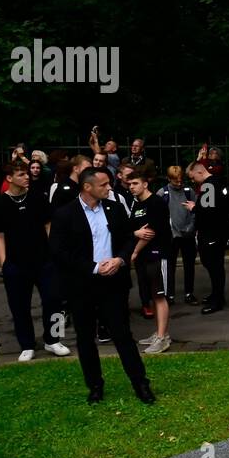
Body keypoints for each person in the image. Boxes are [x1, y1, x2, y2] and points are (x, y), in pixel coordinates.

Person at [49, 168, 155, 404]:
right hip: (82, 285)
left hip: (113, 284)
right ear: (88, 187)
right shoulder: (65, 215)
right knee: (85, 338)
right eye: (104, 184)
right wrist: (94, 268)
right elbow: (59, 252)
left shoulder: (115, 209)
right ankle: (95, 386)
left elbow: (129, 239)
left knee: (123, 335)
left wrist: (120, 259)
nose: (110, 188)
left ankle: (140, 383)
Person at [0, 160, 71, 362]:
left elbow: (48, 226)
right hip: (16, 264)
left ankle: (53, 340)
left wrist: (55, 253)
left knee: (55, 300)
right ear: (9, 178)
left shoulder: (37, 198)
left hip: (44, 261)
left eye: (27, 173)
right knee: (19, 306)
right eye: (21, 174)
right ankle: (26, 345)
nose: (27, 177)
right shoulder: (0, 204)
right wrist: (4, 264)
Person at [127, 170, 173, 353]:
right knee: (153, 295)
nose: (132, 187)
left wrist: (134, 251)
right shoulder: (136, 205)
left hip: (157, 254)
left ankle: (163, 338)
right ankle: (159, 332)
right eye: (130, 184)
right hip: (143, 258)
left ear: (145, 184)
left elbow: (150, 232)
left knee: (160, 296)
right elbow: (134, 228)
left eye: (135, 183)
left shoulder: (156, 202)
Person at [185, 160, 228, 314]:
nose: (192, 181)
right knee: (215, 266)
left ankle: (217, 300)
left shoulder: (208, 185)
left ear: (199, 172)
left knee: (214, 266)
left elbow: (207, 211)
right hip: (216, 232)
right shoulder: (216, 182)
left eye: (192, 177)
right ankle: (217, 295)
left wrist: (194, 207)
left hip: (211, 234)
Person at [157, 166, 198, 305]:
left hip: (188, 234)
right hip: (171, 236)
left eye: (181, 181)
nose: (179, 184)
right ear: (169, 179)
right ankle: (169, 294)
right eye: (176, 181)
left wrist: (191, 228)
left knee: (189, 265)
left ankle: (189, 293)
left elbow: (195, 211)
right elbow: (158, 216)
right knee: (169, 266)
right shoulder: (163, 193)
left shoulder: (189, 191)